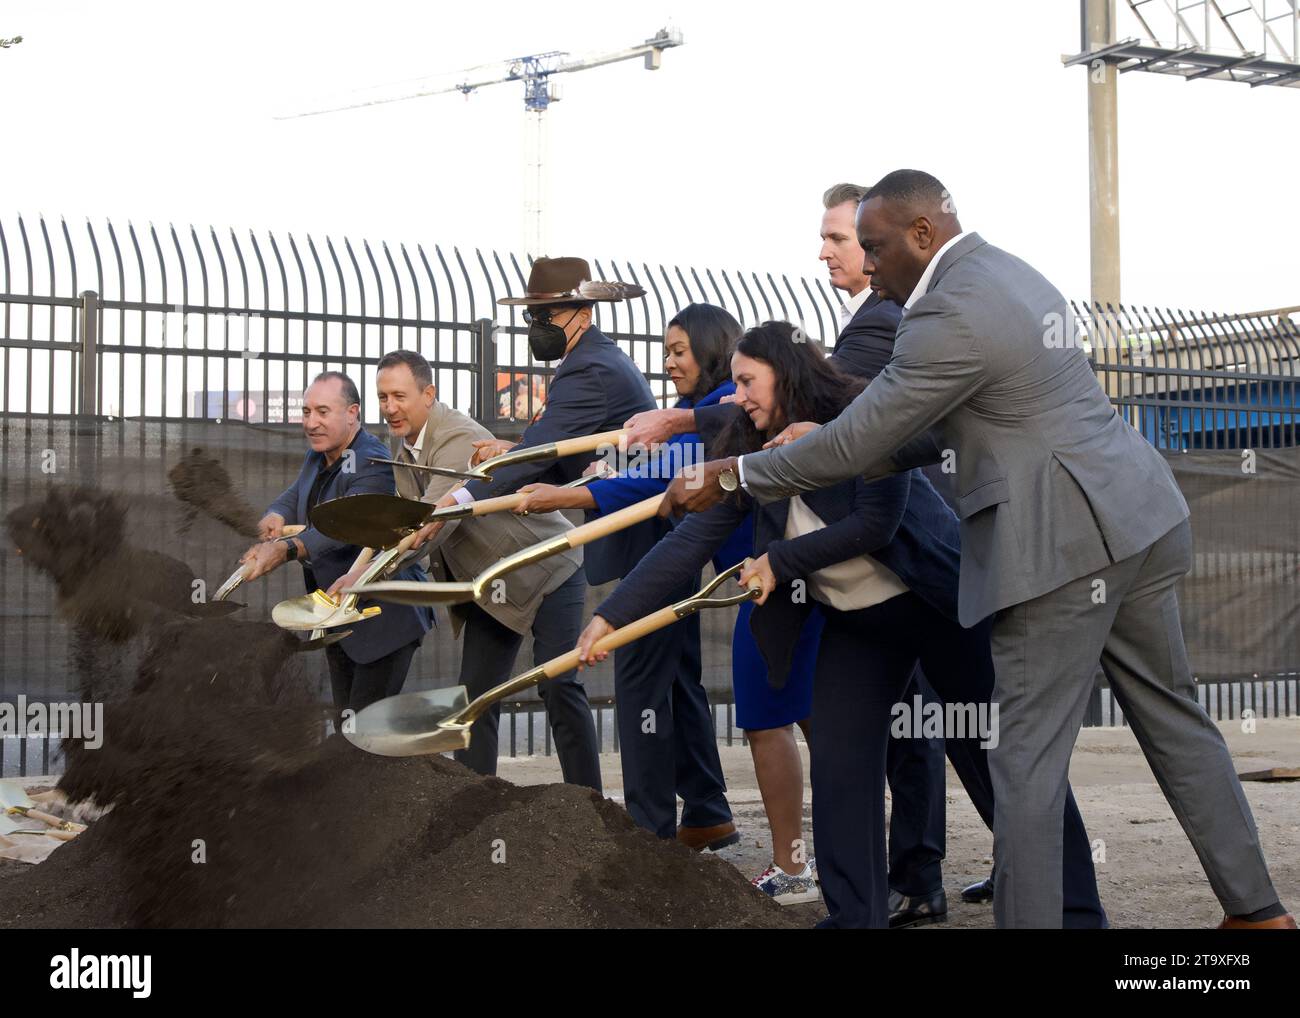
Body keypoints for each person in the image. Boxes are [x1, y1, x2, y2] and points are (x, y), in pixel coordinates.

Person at [661, 170, 1294, 931]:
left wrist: (738, 472)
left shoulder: (943, 316)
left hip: (1061, 546)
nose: (867, 264)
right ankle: (1256, 911)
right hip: (1141, 517)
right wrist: (841, 445)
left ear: (922, 234)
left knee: (1021, 757)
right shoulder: (1008, 273)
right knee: (1175, 717)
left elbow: (867, 436)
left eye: (874, 246)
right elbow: (935, 428)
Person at [618, 183, 987, 923]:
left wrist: (778, 554)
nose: (825, 253)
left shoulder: (875, 349)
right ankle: (867, 907)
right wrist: (612, 616)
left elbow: (878, 514)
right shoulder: (763, 434)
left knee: (986, 755)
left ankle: (1051, 896)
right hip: (857, 617)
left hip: (932, 595)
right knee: (850, 763)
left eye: (842, 241)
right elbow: (698, 530)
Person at [514, 304, 824, 902]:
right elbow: (658, 479)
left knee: (787, 720)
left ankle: (686, 837)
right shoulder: (717, 418)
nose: (669, 360)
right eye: (665, 350)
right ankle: (744, 832)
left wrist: (566, 492)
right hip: (754, 582)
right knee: (768, 715)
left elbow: (658, 481)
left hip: (786, 583)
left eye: (680, 349)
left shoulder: (719, 416)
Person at [439, 257, 743, 850]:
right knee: (675, 681)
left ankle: (648, 834)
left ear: (578, 311)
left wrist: (467, 498)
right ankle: (706, 808)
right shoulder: (598, 369)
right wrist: (519, 452)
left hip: (654, 548)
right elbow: (555, 443)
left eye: (543, 313)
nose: (536, 324)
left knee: (639, 688)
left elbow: (653, 476)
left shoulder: (592, 369)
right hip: (659, 541)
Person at [327, 349, 601, 791]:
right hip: (495, 585)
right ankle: (476, 806)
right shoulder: (406, 448)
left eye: (399, 396)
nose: (390, 408)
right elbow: (393, 524)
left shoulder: (454, 437)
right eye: (383, 398)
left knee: (557, 684)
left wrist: (361, 581)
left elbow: (426, 524)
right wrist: (353, 575)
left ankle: (591, 804)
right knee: (473, 700)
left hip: (547, 567)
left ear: (429, 394)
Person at [242, 371, 431, 718]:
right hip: (338, 614)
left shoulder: (372, 461)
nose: (311, 423)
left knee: (366, 735)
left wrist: (286, 548)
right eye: (306, 412)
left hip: (383, 619)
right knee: (348, 728)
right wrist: (276, 514)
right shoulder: (319, 454)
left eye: (323, 412)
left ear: (352, 413)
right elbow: (296, 492)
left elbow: (349, 525)